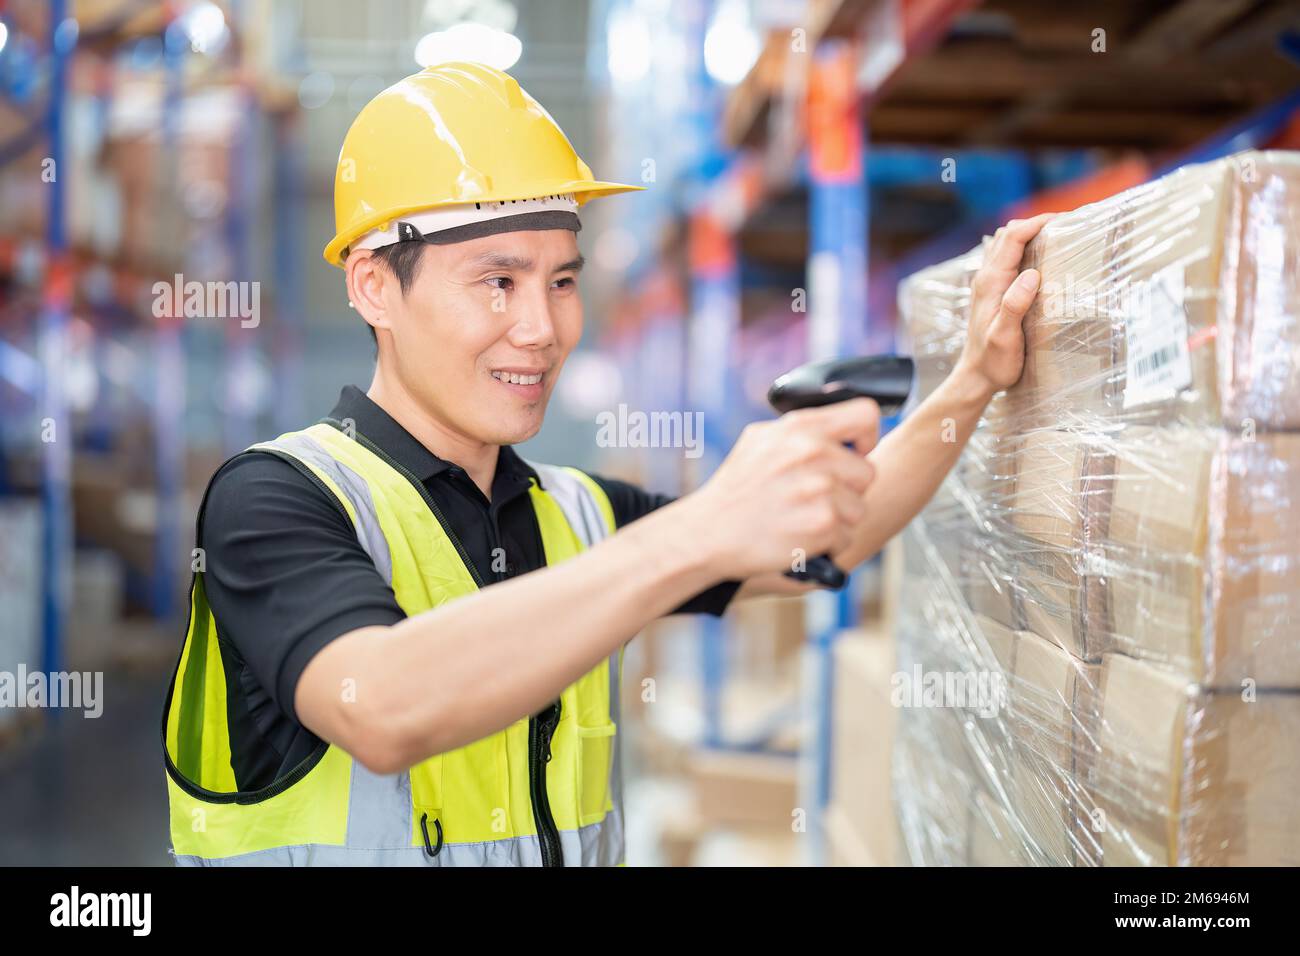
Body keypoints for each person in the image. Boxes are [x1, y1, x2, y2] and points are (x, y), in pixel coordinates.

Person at [161, 61, 1050, 866]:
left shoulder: (575, 512)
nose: (542, 330)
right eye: (496, 282)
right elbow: (378, 704)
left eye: (562, 281)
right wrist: (698, 531)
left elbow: (833, 542)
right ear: (373, 287)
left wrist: (971, 384)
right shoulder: (275, 499)